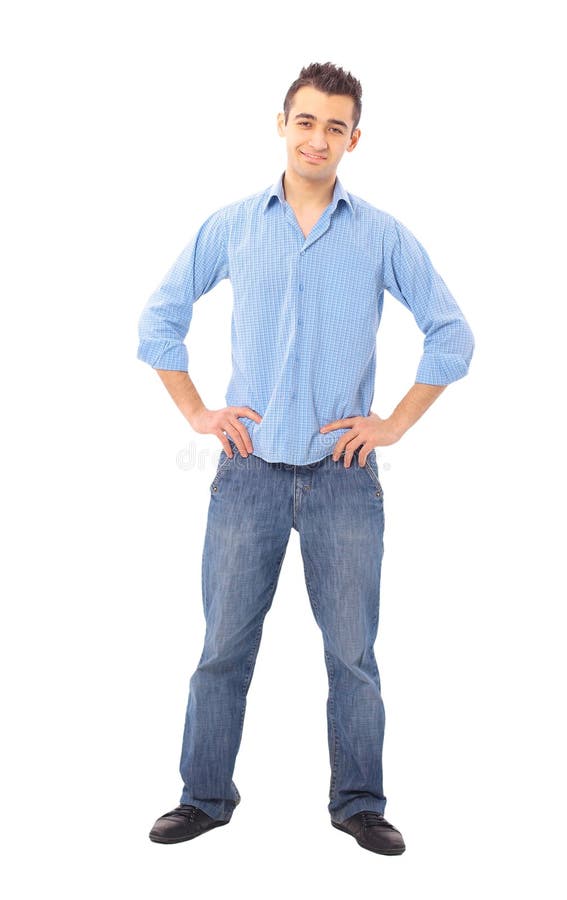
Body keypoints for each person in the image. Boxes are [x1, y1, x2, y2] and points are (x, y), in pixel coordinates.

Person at [137, 61, 474, 856]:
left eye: (334, 126)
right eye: (305, 121)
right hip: (246, 473)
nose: (317, 137)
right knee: (222, 646)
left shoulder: (380, 233)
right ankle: (204, 797)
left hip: (342, 480)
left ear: (353, 138)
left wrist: (393, 421)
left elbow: (451, 334)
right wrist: (195, 410)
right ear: (281, 125)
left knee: (352, 654)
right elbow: (159, 319)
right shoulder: (232, 226)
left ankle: (359, 803)